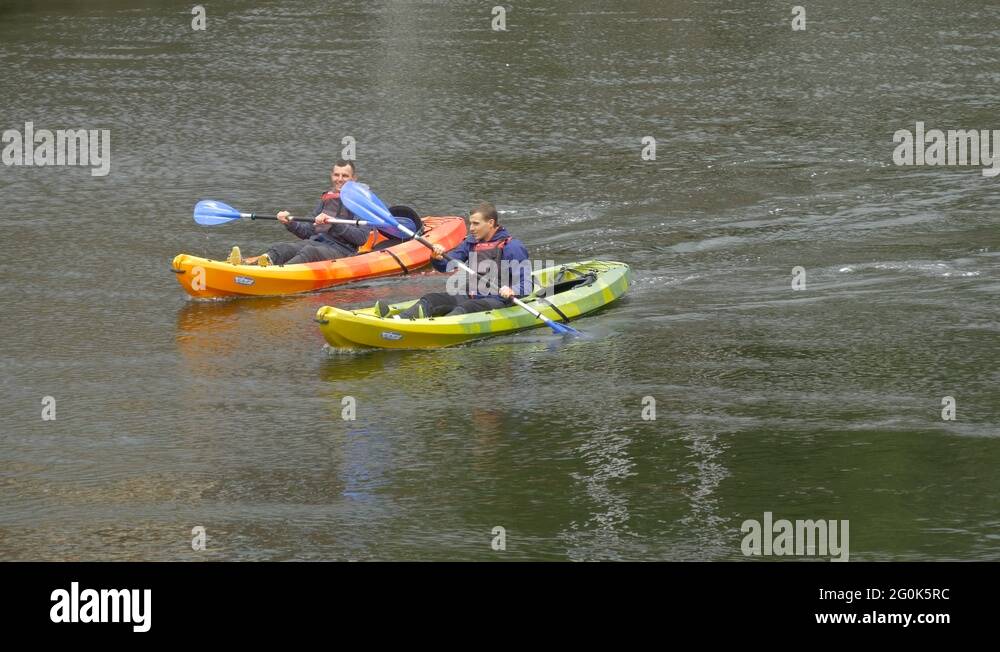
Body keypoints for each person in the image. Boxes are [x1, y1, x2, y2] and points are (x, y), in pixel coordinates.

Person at [375, 201, 530, 319]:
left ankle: (430, 330)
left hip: (498, 300)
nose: (471, 228)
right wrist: (436, 257)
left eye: (476, 223)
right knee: (431, 299)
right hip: (471, 294)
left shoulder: (512, 247)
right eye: (471, 223)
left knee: (464, 309)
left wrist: (512, 290)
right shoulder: (471, 243)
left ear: (490, 223)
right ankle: (397, 319)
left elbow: (527, 284)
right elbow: (447, 266)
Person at [225, 159, 373, 266]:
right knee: (282, 248)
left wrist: (334, 223)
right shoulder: (327, 199)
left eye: (345, 176)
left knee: (309, 252)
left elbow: (361, 238)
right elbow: (308, 231)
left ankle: (275, 274)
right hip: (316, 242)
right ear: (331, 176)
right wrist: (290, 223)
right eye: (336, 175)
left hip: (342, 251)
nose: (339, 179)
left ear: (354, 178)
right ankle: (248, 267)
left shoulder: (362, 203)